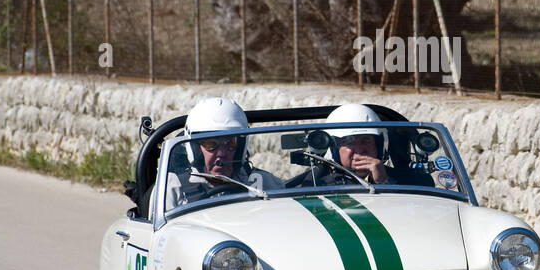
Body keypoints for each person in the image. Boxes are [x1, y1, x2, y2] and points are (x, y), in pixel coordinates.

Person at [164, 97, 280, 211]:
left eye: (230, 143)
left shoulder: (264, 183)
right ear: (195, 149)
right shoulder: (171, 188)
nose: (222, 153)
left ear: (240, 147)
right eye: (210, 144)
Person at [287, 103, 432, 188]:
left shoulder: (410, 181)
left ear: (379, 145)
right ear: (335, 147)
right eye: (349, 141)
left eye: (366, 140)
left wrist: (384, 183)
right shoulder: (317, 184)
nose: (360, 149)